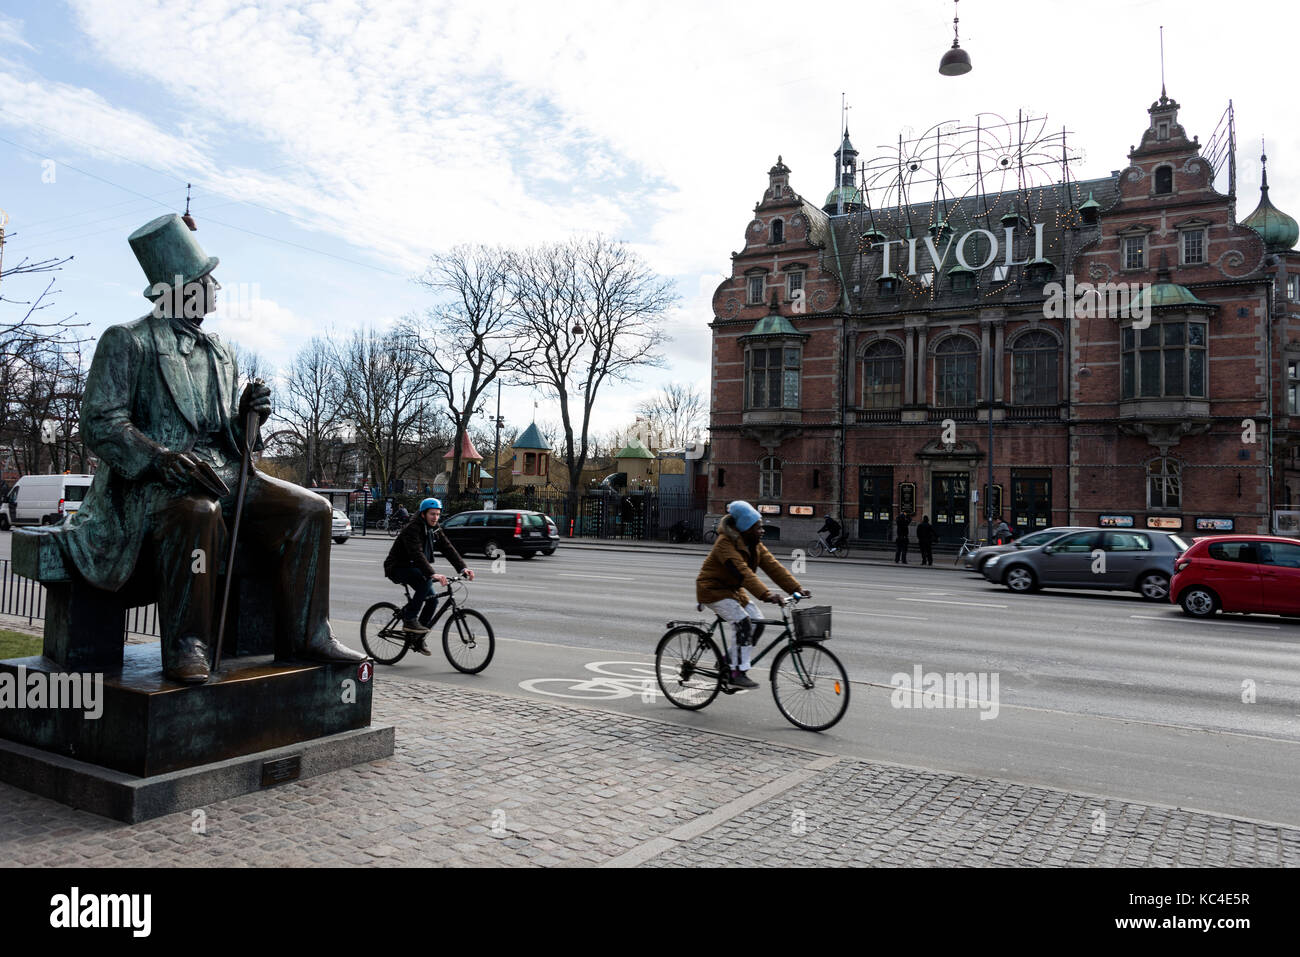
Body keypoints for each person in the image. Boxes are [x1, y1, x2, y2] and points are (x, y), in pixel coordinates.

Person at [66, 213, 364, 684]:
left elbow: (229, 439)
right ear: (184, 287)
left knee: (312, 509)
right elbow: (101, 423)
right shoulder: (128, 341)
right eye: (209, 280)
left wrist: (250, 416)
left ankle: (307, 634)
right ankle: (188, 645)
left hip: (225, 473)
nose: (218, 288)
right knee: (197, 513)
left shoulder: (221, 352)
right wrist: (160, 459)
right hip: (154, 486)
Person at [696, 500, 806, 689]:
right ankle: (736, 671)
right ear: (745, 528)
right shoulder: (725, 544)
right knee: (743, 623)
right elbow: (743, 573)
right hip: (713, 589)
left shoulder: (754, 544)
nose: (762, 530)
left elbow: (773, 566)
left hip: (733, 591)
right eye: (758, 527)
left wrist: (796, 588)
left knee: (757, 622)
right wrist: (767, 594)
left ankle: (728, 660)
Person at [383, 497, 475, 654]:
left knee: (432, 601)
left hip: (415, 568)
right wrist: (433, 574)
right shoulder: (412, 528)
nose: (435, 517)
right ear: (423, 514)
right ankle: (410, 619)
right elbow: (416, 553)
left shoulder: (434, 528)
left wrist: (462, 569)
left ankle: (417, 639)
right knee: (425, 582)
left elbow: (447, 547)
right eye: (432, 514)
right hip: (398, 567)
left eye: (438, 514)